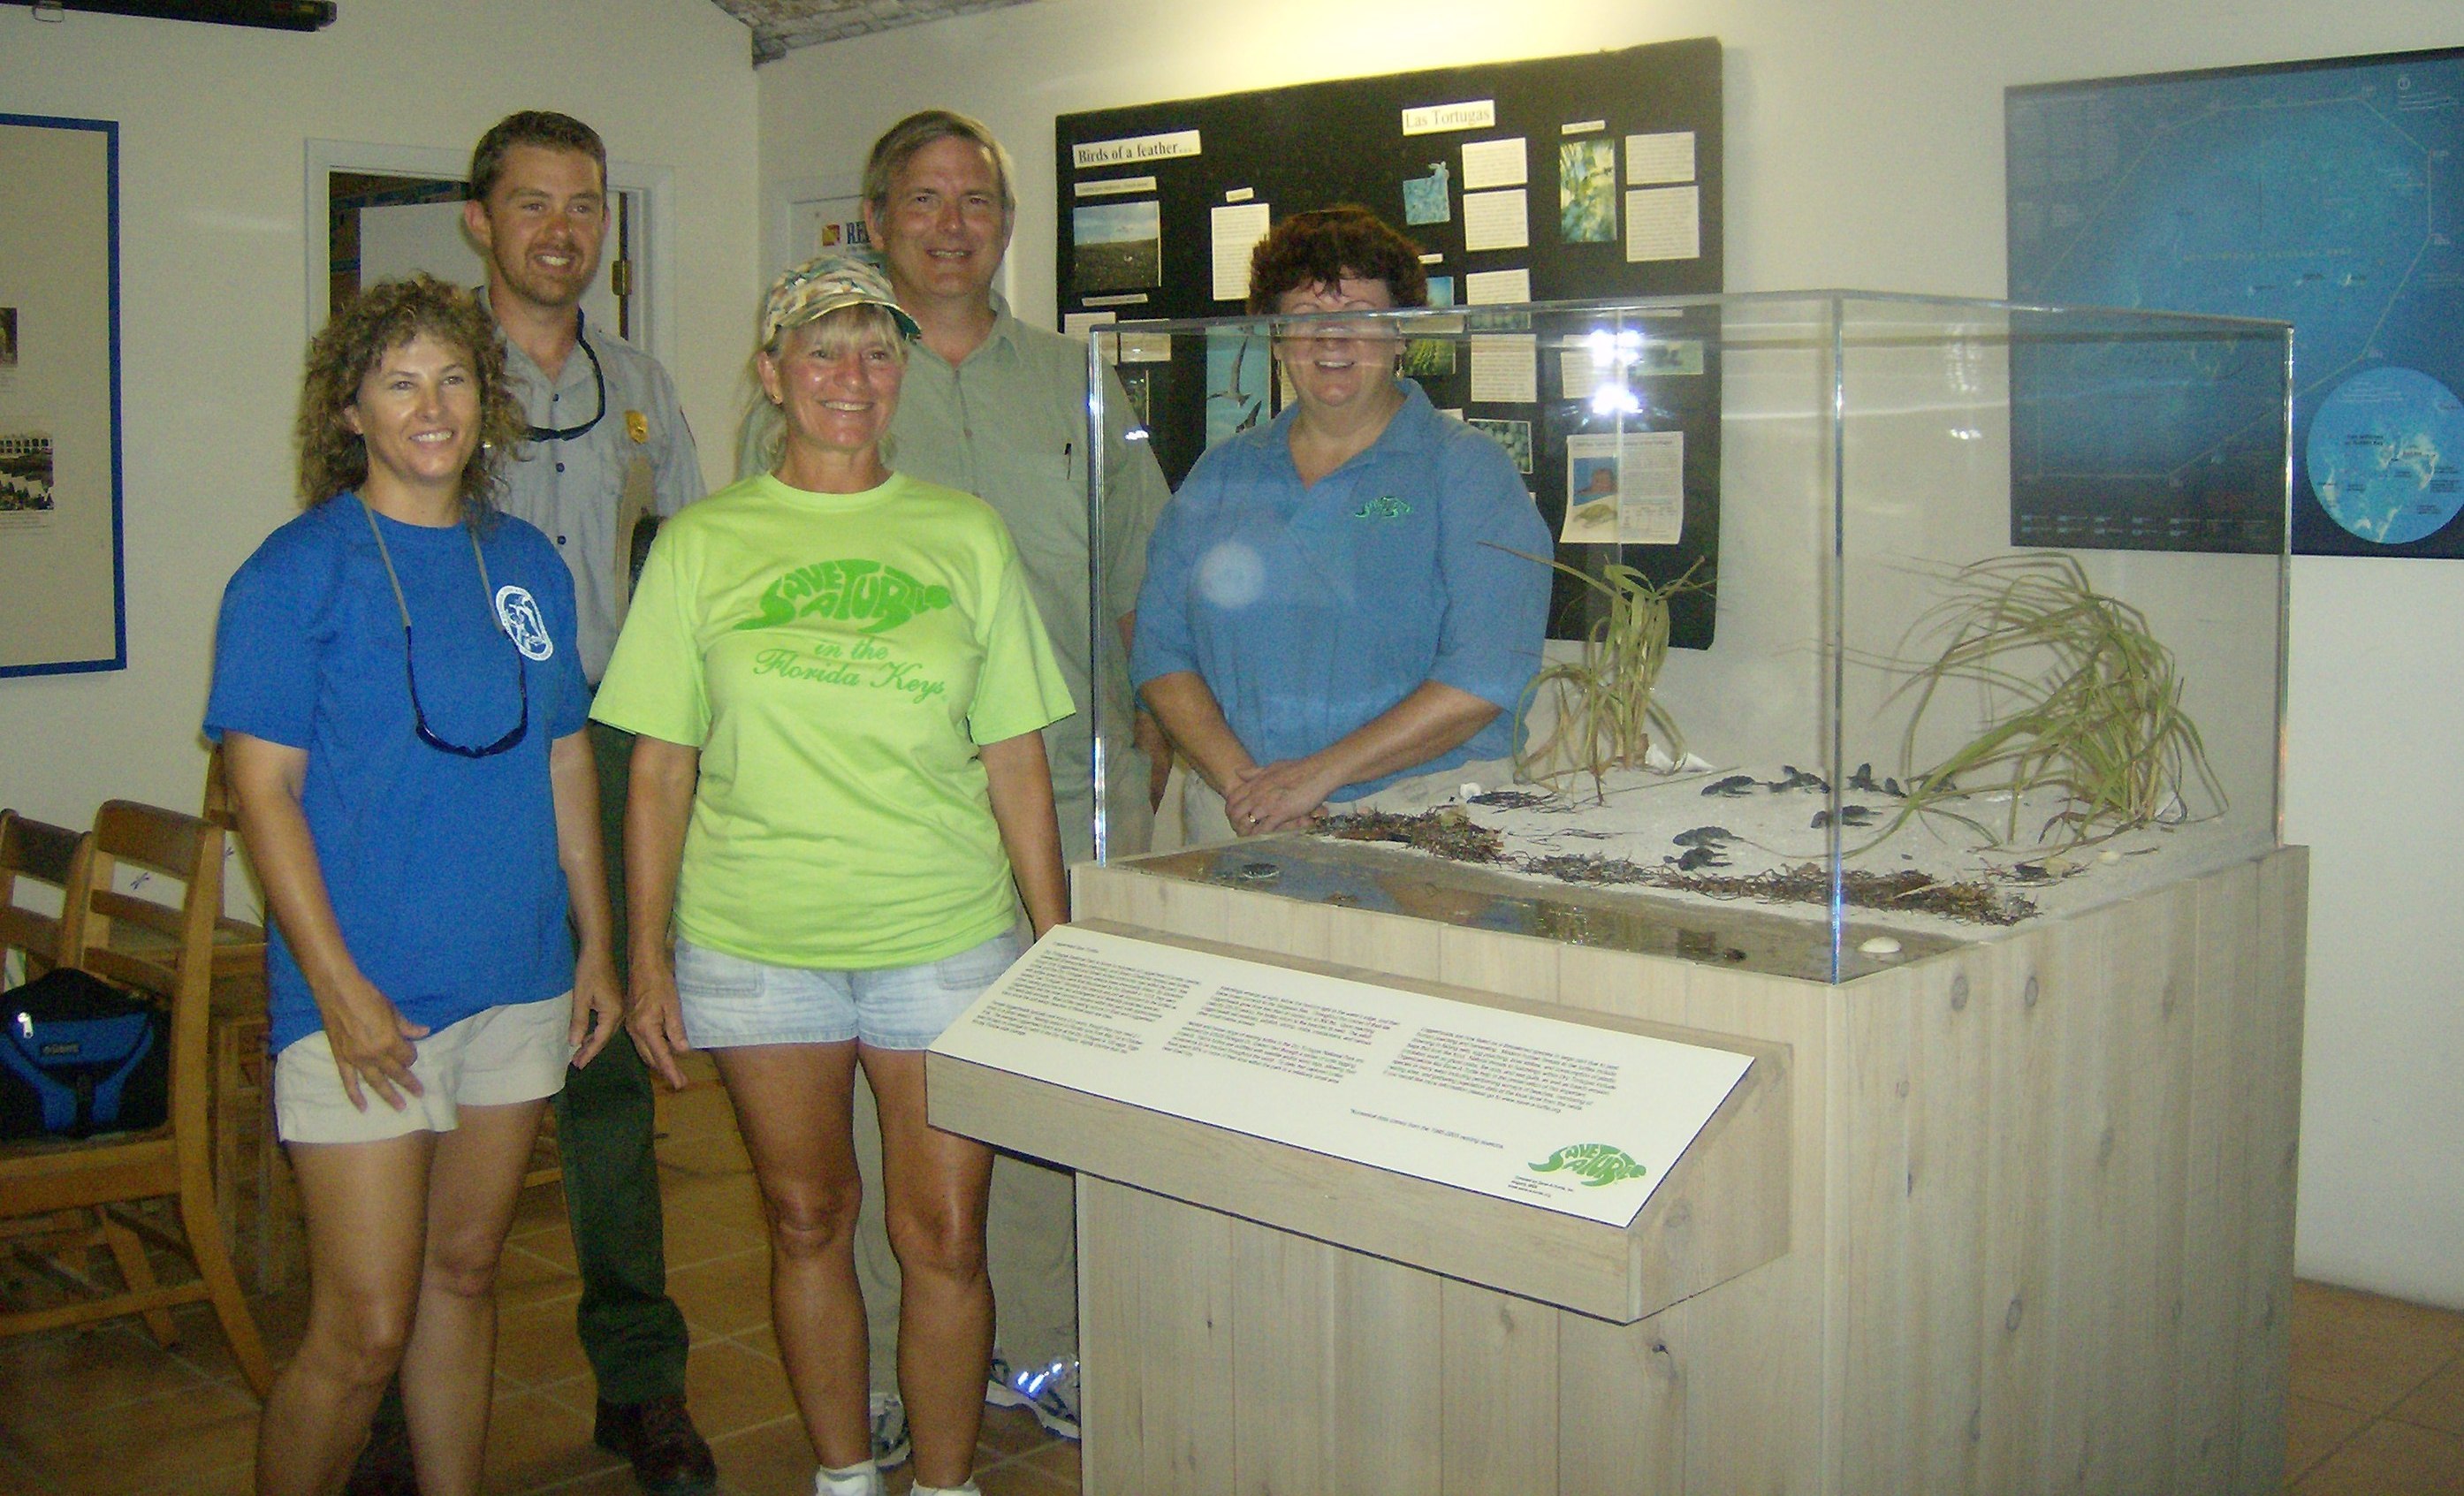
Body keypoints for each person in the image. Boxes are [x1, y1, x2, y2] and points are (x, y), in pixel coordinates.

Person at [598, 251, 1074, 1496]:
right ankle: (846, 1475)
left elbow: (1017, 754)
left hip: (945, 935)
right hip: (757, 946)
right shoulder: (701, 546)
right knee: (807, 1219)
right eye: (822, 351)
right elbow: (659, 769)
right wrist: (647, 957)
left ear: (901, 369)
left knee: (945, 1236)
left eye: (875, 349)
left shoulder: (963, 534)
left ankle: (948, 1483)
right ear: (772, 374)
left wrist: (1057, 938)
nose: (850, 376)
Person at [734, 109, 1171, 1459]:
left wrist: (1146, 752)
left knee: (1042, 1078)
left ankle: (1041, 1345)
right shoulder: (842, 377)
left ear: (1007, 221)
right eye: (921, 199)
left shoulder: (1076, 384)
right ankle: (877, 1367)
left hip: (1068, 790)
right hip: (890, 810)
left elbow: (1139, 584)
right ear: (875, 220)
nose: (951, 222)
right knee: (886, 1092)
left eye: (976, 199)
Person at [334, 110, 716, 1496]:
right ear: (481, 221)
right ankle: (389, 1392)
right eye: (535, 203)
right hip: (459, 755)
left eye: (587, 205)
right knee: (428, 1070)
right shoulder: (427, 376)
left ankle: (640, 1383)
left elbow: (682, 568)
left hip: (601, 746)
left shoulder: (640, 384)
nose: (564, 228)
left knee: (609, 1070)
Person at [210, 274, 623, 1496]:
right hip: (366, 1006)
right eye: (399, 381)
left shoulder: (526, 567)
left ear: (483, 400)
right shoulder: (296, 573)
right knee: (363, 1327)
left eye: (452, 378)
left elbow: (562, 763)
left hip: (518, 982)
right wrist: (336, 989)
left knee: (465, 1277)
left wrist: (595, 944)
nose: (431, 406)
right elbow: (262, 794)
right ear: (350, 409)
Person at [1131, 206, 1553, 840]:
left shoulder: (1466, 473)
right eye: (1303, 318)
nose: (1332, 339)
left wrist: (1316, 776)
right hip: (1238, 812)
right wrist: (1250, 786)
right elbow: (1161, 651)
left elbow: (1484, 675)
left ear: (1402, 333)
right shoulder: (1221, 476)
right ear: (1276, 338)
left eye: (1358, 314)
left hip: (1425, 821)